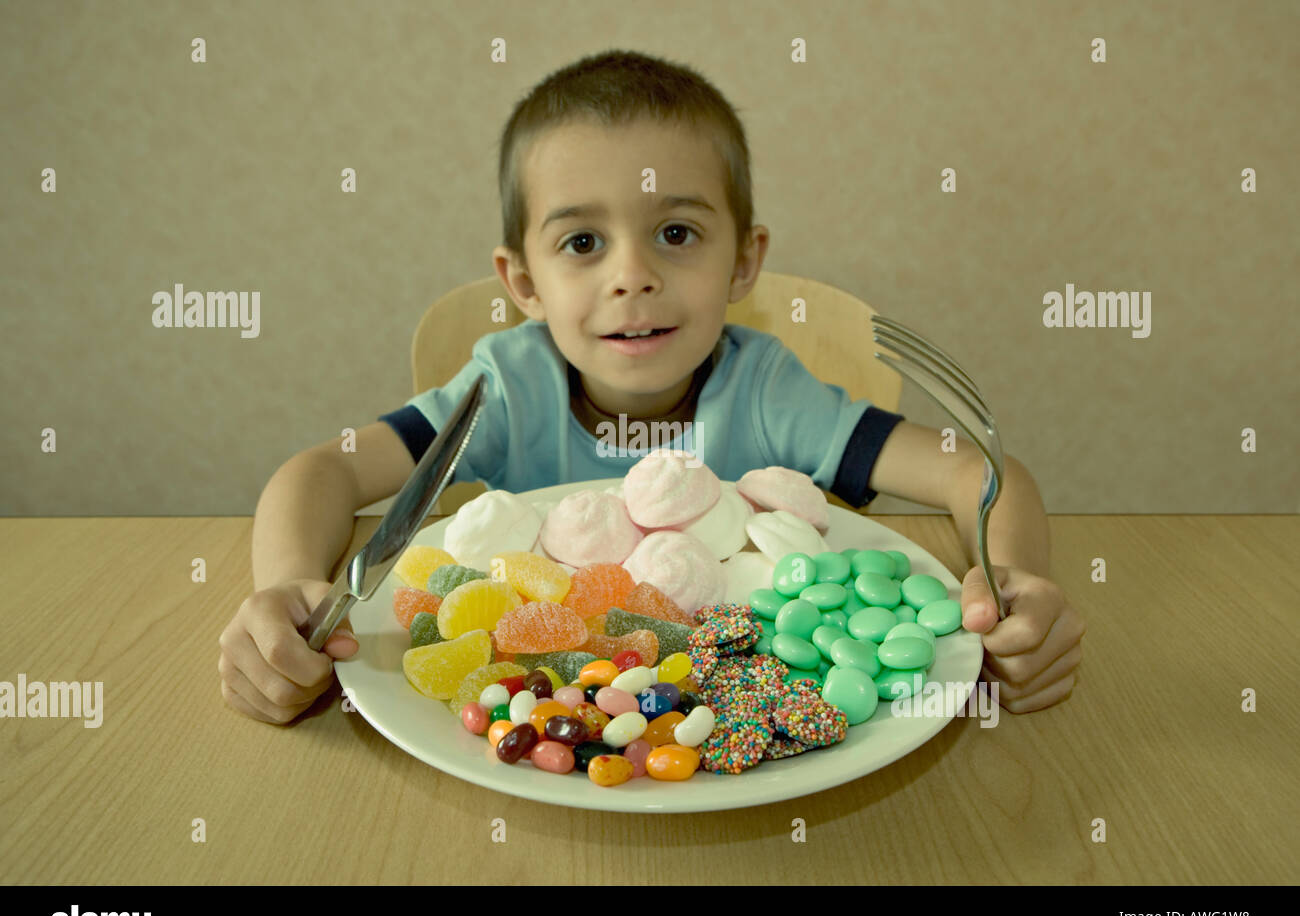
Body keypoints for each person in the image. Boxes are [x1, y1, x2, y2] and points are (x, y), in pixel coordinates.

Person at [218, 50, 1085, 726]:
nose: (632, 276)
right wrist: (291, 586)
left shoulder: (766, 393)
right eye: (583, 244)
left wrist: (1012, 581)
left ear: (743, 259)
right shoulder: (506, 389)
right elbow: (318, 473)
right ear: (522, 280)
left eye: (675, 231)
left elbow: (979, 475)